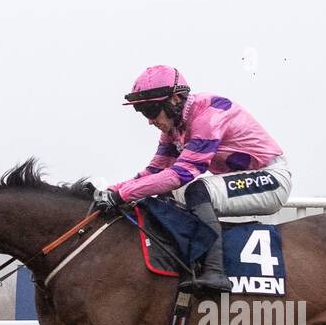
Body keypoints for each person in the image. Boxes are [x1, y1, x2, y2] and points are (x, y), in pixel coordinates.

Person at [92, 65, 291, 292]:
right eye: (143, 112)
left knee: (196, 190)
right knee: (164, 197)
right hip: (245, 177)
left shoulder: (208, 115)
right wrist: (111, 190)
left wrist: (121, 195)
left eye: (151, 110)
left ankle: (215, 272)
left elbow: (181, 175)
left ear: (175, 99)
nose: (149, 120)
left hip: (271, 178)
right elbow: (154, 172)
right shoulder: (173, 128)